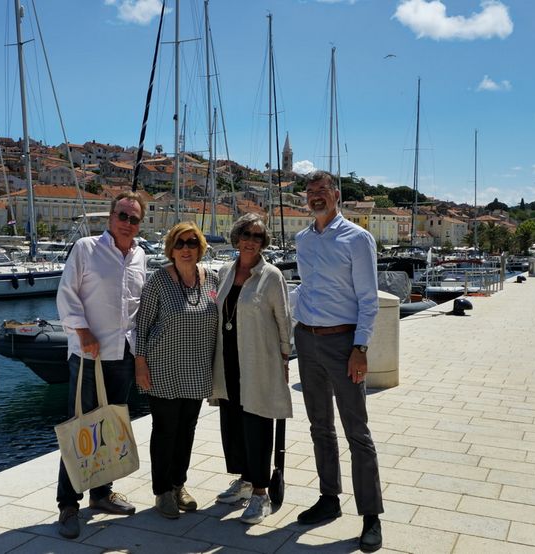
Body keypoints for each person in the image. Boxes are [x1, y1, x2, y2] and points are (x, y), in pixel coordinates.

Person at [292, 170, 384, 552]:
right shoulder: (302, 239)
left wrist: (360, 347)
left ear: (336, 194)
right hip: (307, 340)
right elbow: (305, 290)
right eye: (311, 191)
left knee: (356, 432)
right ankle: (329, 498)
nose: (316, 196)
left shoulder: (358, 238)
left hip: (344, 342)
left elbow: (369, 298)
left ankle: (370, 515)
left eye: (322, 190)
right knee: (319, 427)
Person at [53, 191, 147, 539]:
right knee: (81, 427)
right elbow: (67, 293)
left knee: (111, 425)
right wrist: (82, 330)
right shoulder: (86, 249)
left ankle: (101, 494)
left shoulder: (139, 256)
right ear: (110, 217)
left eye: (133, 218)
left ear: (139, 225)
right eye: (122, 215)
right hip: (89, 353)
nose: (127, 223)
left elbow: (137, 309)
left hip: (122, 353)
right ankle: (68, 504)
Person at [134, 222, 221, 519]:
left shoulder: (212, 279)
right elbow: (142, 325)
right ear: (171, 249)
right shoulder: (159, 280)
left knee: (186, 431)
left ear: (200, 248)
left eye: (192, 243)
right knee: (165, 432)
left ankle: (178, 484)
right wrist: (140, 363)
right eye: (180, 244)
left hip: (197, 370)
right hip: (163, 369)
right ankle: (162, 492)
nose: (186, 249)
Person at [210, 213, 293, 525]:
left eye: (258, 236)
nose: (251, 240)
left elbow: (284, 321)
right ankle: (245, 481)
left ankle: (261, 492)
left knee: (257, 424)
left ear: (264, 242)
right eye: (246, 233)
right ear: (236, 236)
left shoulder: (271, 275)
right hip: (228, 361)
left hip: (258, 361)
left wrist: (285, 359)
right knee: (233, 424)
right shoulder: (225, 272)